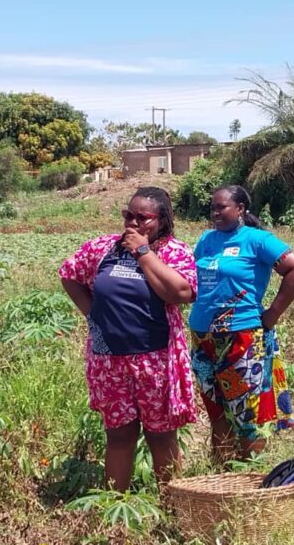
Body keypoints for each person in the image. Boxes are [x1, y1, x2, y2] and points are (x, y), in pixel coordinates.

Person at [59, 187, 197, 491]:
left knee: (160, 436)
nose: (132, 223)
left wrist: (144, 253)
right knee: (118, 435)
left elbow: (182, 293)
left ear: (161, 220)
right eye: (128, 215)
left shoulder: (174, 252)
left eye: (142, 218)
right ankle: (114, 506)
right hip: (109, 360)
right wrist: (93, 315)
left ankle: (172, 505)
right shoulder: (103, 248)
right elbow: (69, 273)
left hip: (155, 359)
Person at [188, 185, 294, 462]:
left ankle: (251, 478)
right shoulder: (206, 240)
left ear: (240, 209)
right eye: (212, 208)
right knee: (216, 409)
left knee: (247, 413)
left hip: (240, 338)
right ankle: (221, 474)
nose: (215, 212)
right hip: (204, 337)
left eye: (222, 207)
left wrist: (272, 314)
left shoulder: (257, 240)